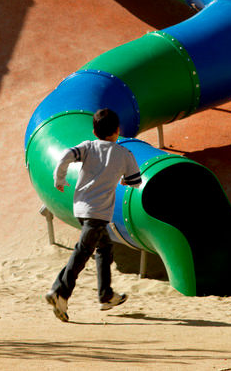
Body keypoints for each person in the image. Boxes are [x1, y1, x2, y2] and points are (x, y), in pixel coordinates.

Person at [45, 108, 141, 321]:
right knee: (83, 251)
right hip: (99, 212)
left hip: (80, 208)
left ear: (94, 131)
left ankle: (106, 295)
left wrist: (59, 179)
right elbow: (136, 181)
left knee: (104, 248)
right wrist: (125, 180)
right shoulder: (124, 154)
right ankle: (60, 291)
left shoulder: (87, 147)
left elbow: (65, 156)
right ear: (117, 131)